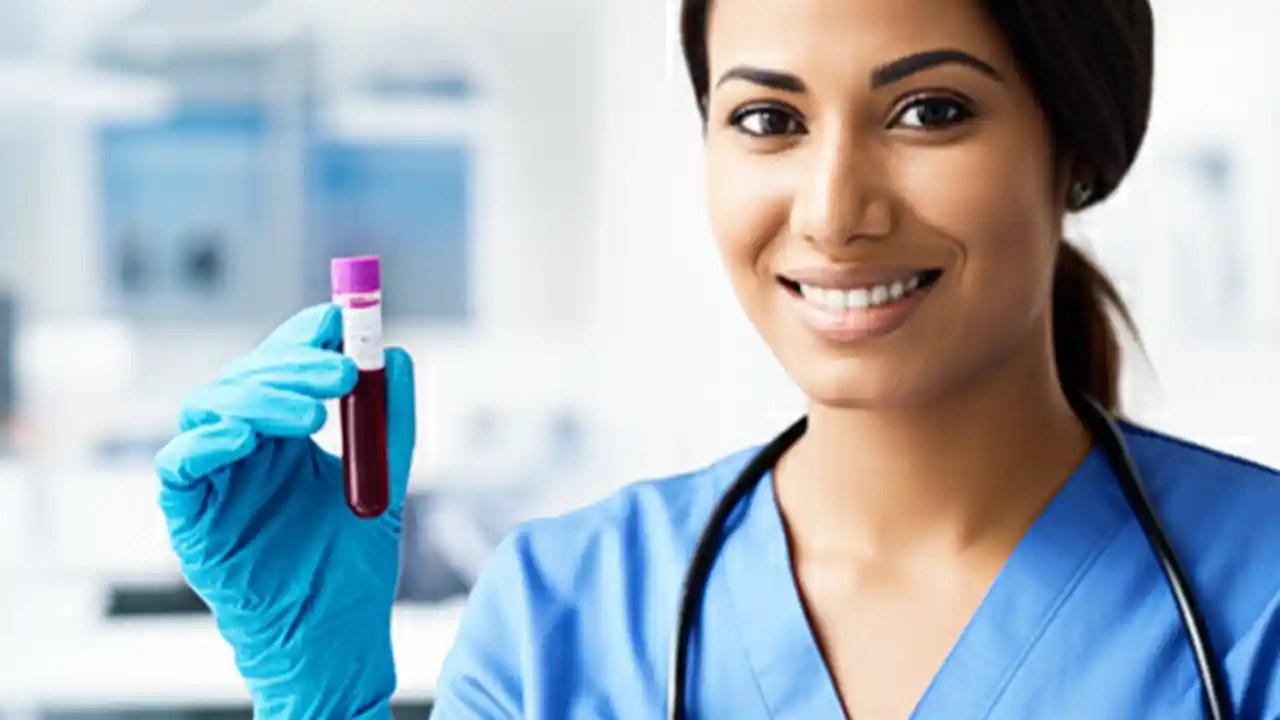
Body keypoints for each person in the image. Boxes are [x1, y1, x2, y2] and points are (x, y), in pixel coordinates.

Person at [155, 0, 1280, 717]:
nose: (834, 212)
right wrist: (323, 704)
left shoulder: (1259, 602)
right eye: (765, 121)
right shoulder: (568, 614)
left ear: (1072, 146)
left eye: (929, 111)